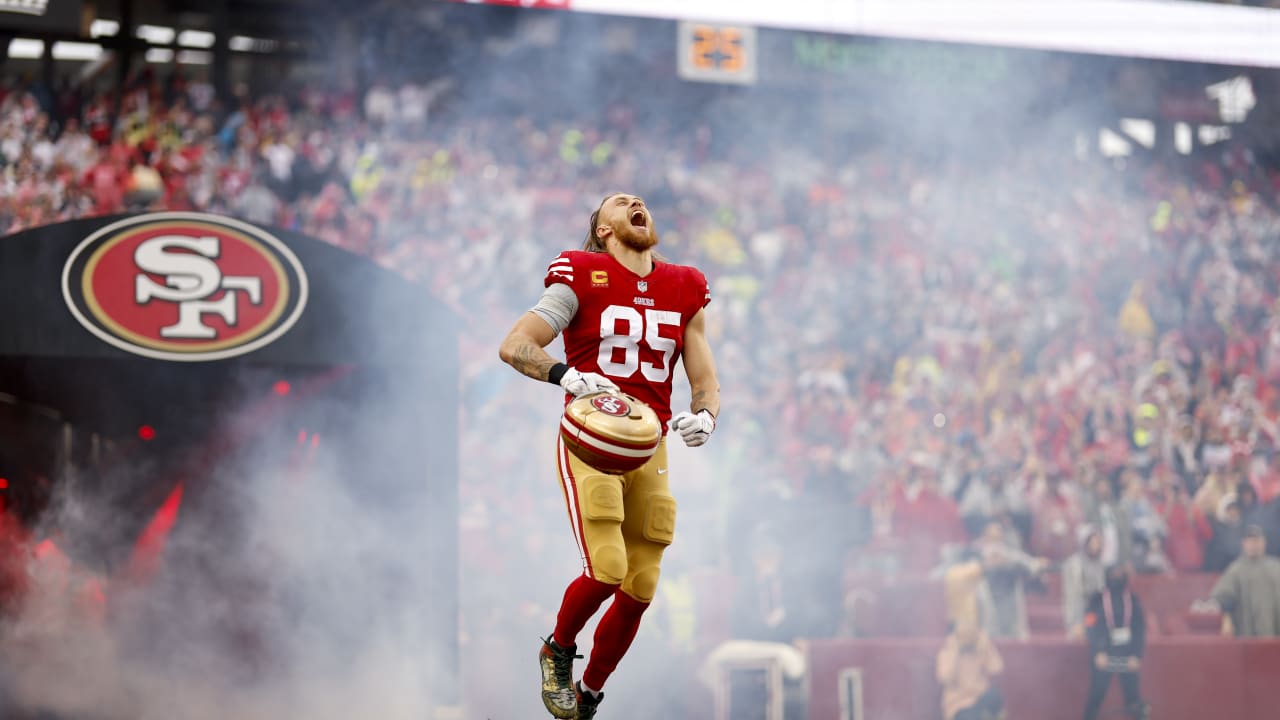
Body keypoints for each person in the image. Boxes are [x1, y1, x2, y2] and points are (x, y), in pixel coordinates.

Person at [498, 192, 720, 719]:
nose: (634, 201)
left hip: (652, 444)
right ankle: (557, 649)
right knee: (607, 568)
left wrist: (706, 415)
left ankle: (590, 692)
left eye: (637, 199)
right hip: (591, 439)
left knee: (642, 582)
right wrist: (564, 375)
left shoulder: (684, 284)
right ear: (602, 229)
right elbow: (515, 344)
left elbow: (705, 379)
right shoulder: (581, 272)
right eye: (618, 203)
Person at [1082, 565, 1149, 720]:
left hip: (1127, 655)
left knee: (1133, 699)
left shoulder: (1132, 599)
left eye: (1120, 574)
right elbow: (1090, 625)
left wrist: (1136, 655)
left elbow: (1140, 630)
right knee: (1096, 695)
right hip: (1103, 655)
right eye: (1113, 574)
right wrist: (1098, 652)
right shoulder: (1097, 599)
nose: (1116, 577)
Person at [1211, 525, 1280, 637]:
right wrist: (1226, 618)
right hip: (1247, 637)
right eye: (1250, 541)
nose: (1253, 545)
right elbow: (1221, 597)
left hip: (1275, 635)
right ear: (1244, 544)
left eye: (1257, 540)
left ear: (1264, 542)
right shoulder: (1236, 570)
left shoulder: (1276, 567)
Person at [936, 624, 1005, 720]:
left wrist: (986, 645)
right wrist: (954, 651)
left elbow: (997, 668)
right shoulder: (947, 652)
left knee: (994, 695)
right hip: (959, 704)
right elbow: (944, 678)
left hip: (979, 698)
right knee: (971, 717)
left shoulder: (980, 649)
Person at [1061, 526, 1106, 639]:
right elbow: (1072, 596)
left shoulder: (1101, 564)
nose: (1096, 545)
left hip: (1096, 615)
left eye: (1098, 542)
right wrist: (1075, 623)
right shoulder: (1074, 564)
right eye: (1093, 542)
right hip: (1079, 616)